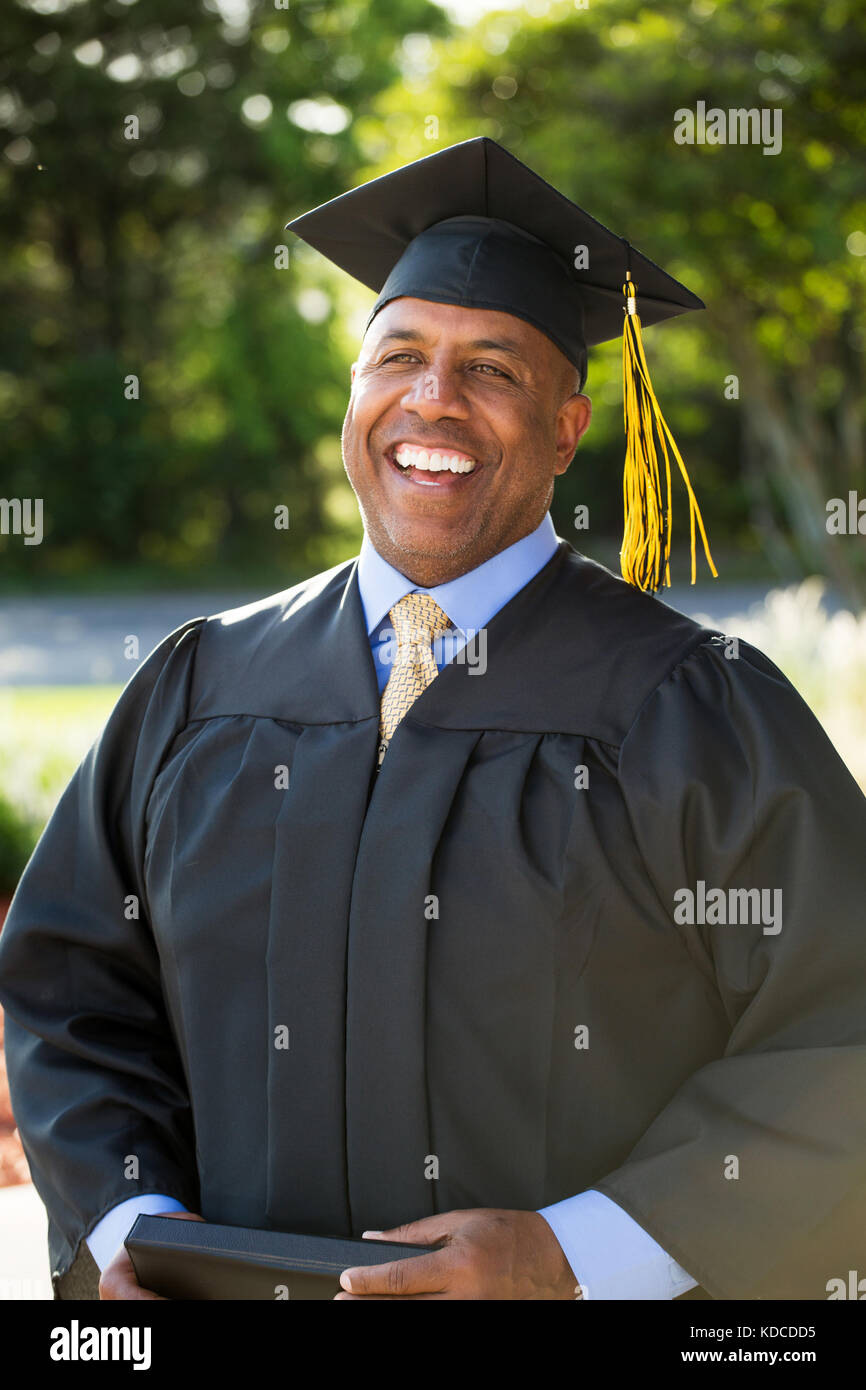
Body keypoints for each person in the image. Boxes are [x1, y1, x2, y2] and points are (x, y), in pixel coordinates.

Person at [1, 138, 864, 1302]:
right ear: (353, 396)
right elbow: (72, 986)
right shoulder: (201, 687)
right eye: (398, 356)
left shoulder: (686, 706)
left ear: (566, 430)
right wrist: (126, 1225)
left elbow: (838, 1032)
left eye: (492, 369)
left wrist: (577, 1255)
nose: (432, 399)